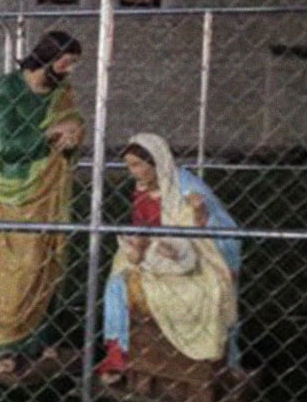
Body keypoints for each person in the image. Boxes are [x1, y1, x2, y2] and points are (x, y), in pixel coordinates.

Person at [0, 30, 85, 380]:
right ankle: (4, 342)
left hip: (50, 189)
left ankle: (37, 337)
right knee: (18, 267)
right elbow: (7, 145)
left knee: (48, 260)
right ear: (47, 57)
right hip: (17, 191)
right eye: (65, 63)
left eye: (73, 65)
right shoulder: (9, 89)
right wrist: (52, 135)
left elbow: (73, 125)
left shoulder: (61, 92)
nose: (69, 71)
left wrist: (73, 135)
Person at [97, 133, 241, 384]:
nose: (134, 172)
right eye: (130, 166)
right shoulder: (142, 189)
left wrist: (199, 214)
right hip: (151, 251)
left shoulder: (185, 187)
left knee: (201, 288)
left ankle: (205, 361)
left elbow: (218, 228)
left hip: (191, 252)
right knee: (117, 284)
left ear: (156, 162)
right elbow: (141, 223)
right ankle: (119, 356)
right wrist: (140, 242)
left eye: (138, 165)